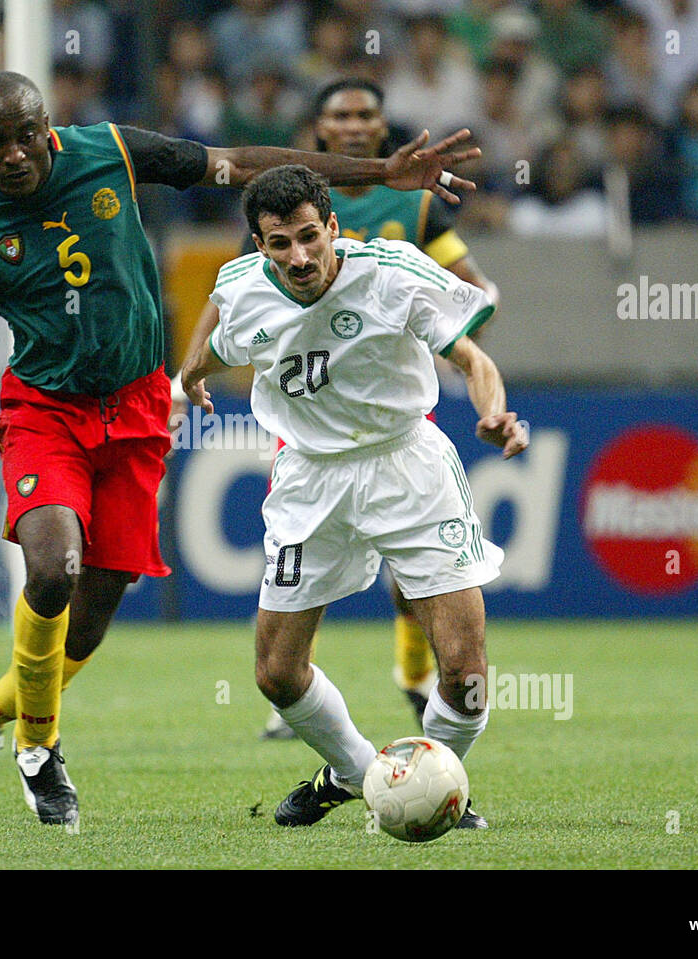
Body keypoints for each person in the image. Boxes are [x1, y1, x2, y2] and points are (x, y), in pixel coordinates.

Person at [0, 71, 479, 826]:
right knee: (52, 567)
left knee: (93, 617)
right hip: (46, 410)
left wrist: (380, 172)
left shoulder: (111, 152)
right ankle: (40, 751)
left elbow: (236, 162)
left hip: (137, 412)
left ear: (50, 126)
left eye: (26, 133)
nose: (14, 153)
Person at [179, 164, 527, 830]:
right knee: (277, 673)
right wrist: (190, 378)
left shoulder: (392, 272)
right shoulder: (243, 290)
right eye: (280, 244)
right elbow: (212, 348)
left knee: (464, 672)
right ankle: (355, 771)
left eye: (311, 236)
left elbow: (473, 360)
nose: (300, 256)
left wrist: (493, 413)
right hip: (311, 478)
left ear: (334, 226)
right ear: (259, 245)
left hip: (407, 465)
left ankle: (435, 782)